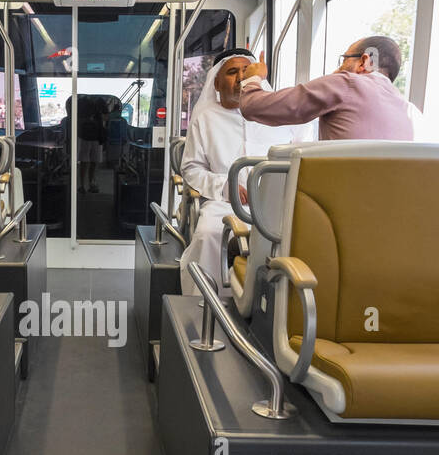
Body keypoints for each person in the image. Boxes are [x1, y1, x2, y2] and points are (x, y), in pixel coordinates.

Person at [177, 48, 301, 295]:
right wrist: (225, 186)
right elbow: (191, 168)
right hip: (226, 203)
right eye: (232, 72)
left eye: (247, 71)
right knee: (208, 235)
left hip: (274, 204)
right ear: (217, 82)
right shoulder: (206, 119)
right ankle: (207, 308)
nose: (241, 78)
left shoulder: (276, 115)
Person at [239, 36, 415, 140]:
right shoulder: (408, 110)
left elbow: (253, 107)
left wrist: (253, 78)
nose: (337, 69)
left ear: (364, 61)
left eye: (344, 60)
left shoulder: (347, 83)